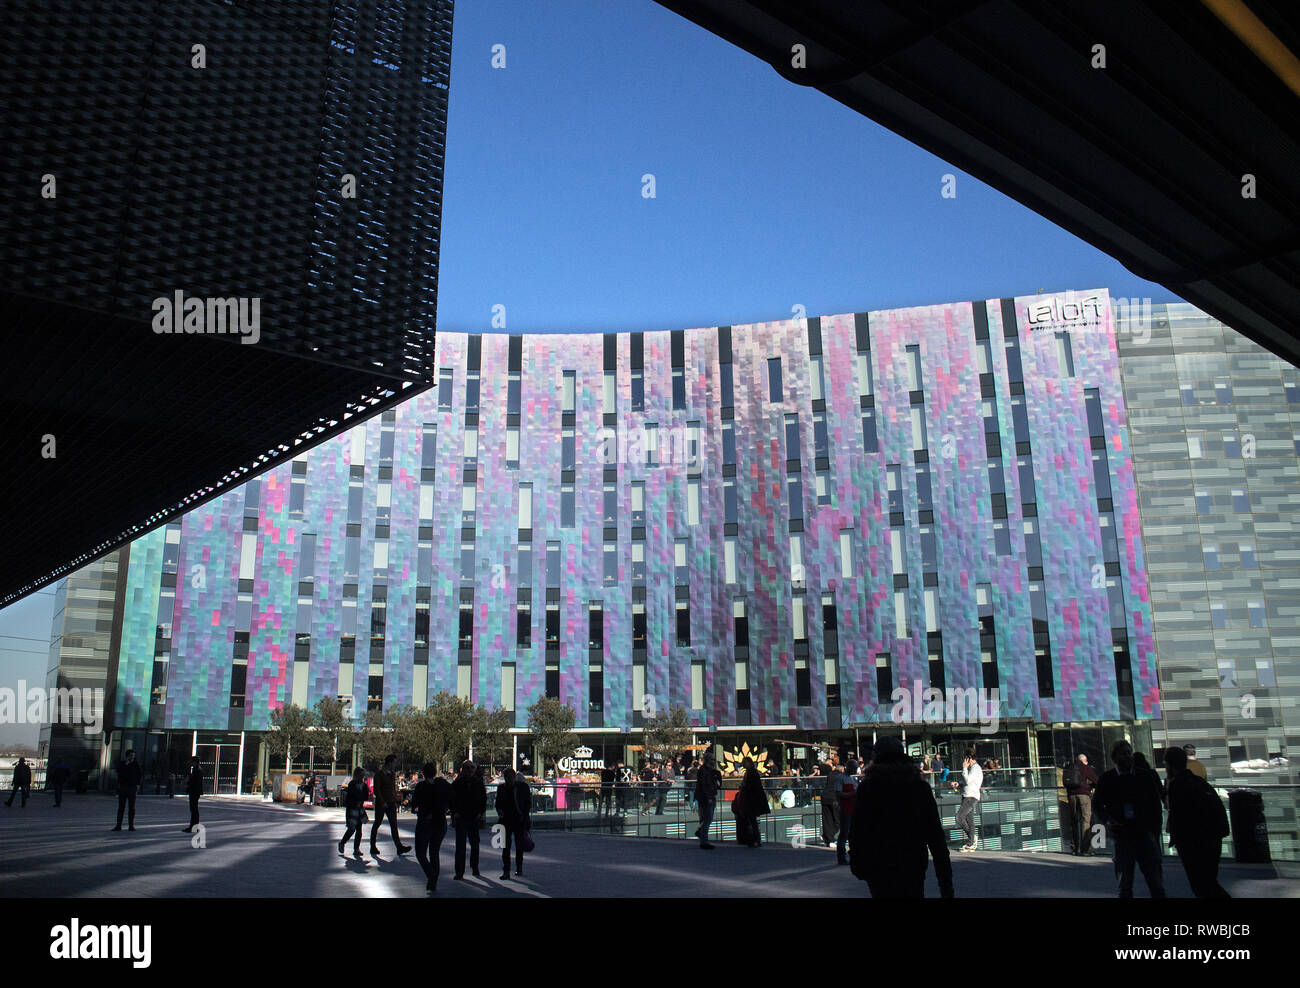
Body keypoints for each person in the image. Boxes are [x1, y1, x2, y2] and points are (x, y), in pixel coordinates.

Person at [849, 737, 954, 898]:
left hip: (879, 864)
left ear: (876, 757)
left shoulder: (868, 788)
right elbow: (936, 837)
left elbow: (858, 830)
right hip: (912, 862)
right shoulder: (919, 787)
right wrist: (945, 884)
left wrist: (858, 864)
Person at [1093, 739, 1166, 898]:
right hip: (1121, 835)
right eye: (1123, 754)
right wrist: (1107, 819)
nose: (1127, 757)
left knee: (1155, 881)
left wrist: (1154, 831)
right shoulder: (1107, 778)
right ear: (1115, 757)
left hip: (1144, 833)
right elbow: (1097, 804)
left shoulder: (1144, 776)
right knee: (1125, 882)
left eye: (1129, 753)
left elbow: (1155, 805)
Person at [1164, 746, 1230, 898]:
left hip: (1193, 842)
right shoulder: (1199, 779)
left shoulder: (1176, 784)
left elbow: (1178, 814)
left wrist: (1177, 840)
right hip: (1212, 837)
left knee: (1201, 884)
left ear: (1169, 765)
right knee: (1209, 882)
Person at [409, 762, 453, 891]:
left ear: (423, 773)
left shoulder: (421, 786)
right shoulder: (442, 784)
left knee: (421, 852)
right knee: (434, 852)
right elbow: (452, 796)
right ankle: (433, 880)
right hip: (440, 821)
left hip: (425, 822)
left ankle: (431, 875)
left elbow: (415, 804)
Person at [369, 754, 412, 857]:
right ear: (389, 763)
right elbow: (377, 790)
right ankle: (373, 846)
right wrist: (382, 801)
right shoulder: (379, 775)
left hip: (391, 802)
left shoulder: (392, 774)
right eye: (394, 762)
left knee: (393, 825)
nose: (395, 764)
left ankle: (399, 847)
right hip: (382, 803)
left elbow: (392, 788)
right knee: (377, 823)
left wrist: (394, 800)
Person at [451, 759, 486, 879]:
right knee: (460, 845)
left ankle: (474, 866)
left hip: (474, 816)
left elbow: (483, 799)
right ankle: (459, 871)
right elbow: (452, 799)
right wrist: (455, 812)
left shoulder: (478, 783)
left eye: (472, 768)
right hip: (462, 816)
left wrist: (480, 812)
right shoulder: (458, 783)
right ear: (463, 770)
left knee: (475, 844)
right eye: (467, 768)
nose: (470, 770)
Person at [495, 767, 532, 879]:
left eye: (510, 777)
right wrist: (500, 811)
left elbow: (527, 804)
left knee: (517, 846)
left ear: (514, 777)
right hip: (507, 820)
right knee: (507, 847)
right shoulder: (502, 788)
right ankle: (508, 870)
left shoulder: (522, 787)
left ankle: (517, 868)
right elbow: (498, 803)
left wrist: (524, 816)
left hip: (517, 819)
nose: (508, 779)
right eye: (507, 777)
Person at [1063, 754, 1099, 855]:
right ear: (1084, 761)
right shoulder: (1085, 767)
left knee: (1074, 821)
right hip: (1083, 795)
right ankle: (1085, 849)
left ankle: (1074, 848)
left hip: (1071, 796)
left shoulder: (1069, 766)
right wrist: (1090, 786)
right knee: (1086, 821)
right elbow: (1096, 781)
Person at [735, 757, 769, 847]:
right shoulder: (752, 772)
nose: (743, 764)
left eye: (744, 763)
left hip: (751, 800)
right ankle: (756, 839)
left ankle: (754, 839)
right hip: (753, 800)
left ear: (748, 763)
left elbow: (750, 786)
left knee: (752, 820)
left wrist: (743, 787)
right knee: (753, 821)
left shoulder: (751, 772)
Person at [954, 747, 982, 851]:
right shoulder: (974, 768)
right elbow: (969, 783)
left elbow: (968, 779)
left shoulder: (975, 768)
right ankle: (971, 842)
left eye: (966, 758)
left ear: (969, 758)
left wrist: (964, 768)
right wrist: (959, 784)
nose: (965, 761)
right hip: (968, 796)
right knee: (970, 821)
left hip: (970, 797)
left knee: (959, 817)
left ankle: (972, 838)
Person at [338, 767, 369, 857]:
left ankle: (356, 848)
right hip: (353, 808)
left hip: (357, 808)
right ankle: (343, 843)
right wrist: (360, 798)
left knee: (358, 829)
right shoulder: (353, 784)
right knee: (352, 829)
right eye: (362, 774)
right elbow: (356, 796)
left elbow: (365, 796)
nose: (363, 776)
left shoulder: (362, 785)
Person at [833, 758, 859, 865]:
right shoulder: (841, 778)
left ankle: (852, 855)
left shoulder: (852, 779)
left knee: (851, 832)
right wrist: (852, 794)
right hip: (845, 808)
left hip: (853, 808)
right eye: (854, 768)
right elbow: (838, 793)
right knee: (844, 833)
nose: (855, 770)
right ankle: (841, 856)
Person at [694, 752, 722, 849]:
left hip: (708, 796)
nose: (713, 761)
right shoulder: (704, 771)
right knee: (707, 818)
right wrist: (708, 797)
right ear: (708, 760)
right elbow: (704, 785)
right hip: (706, 797)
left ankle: (702, 835)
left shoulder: (711, 771)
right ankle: (704, 841)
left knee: (705, 818)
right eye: (712, 759)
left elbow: (717, 784)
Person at [112, 749, 143, 831]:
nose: (132, 757)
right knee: (121, 807)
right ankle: (118, 825)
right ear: (127, 756)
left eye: (133, 756)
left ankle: (131, 825)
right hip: (123, 787)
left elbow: (139, 775)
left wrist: (138, 785)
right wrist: (126, 764)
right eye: (131, 756)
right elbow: (119, 772)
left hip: (132, 788)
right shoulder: (122, 764)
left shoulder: (136, 764)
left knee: (131, 808)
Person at [820, 762, 841, 847]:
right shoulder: (841, 776)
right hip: (834, 798)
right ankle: (828, 837)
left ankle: (828, 838)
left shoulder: (829, 775)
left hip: (825, 797)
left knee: (827, 819)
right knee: (838, 820)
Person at [182, 757, 203, 833]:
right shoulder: (196, 770)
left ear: (195, 762)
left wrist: (189, 780)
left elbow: (196, 782)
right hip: (194, 792)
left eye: (192, 762)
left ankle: (194, 827)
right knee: (193, 810)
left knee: (194, 810)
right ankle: (193, 826)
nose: (191, 763)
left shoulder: (197, 771)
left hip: (195, 792)